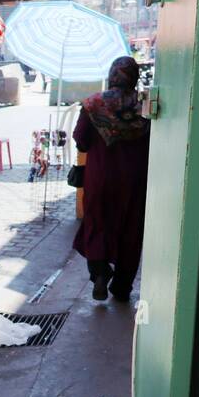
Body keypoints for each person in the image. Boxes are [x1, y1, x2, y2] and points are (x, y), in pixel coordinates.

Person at [71, 55, 151, 302]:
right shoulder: (145, 105)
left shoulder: (94, 104)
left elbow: (81, 140)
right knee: (130, 229)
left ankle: (101, 272)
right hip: (135, 180)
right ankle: (122, 287)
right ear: (134, 77)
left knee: (97, 224)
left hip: (100, 179)